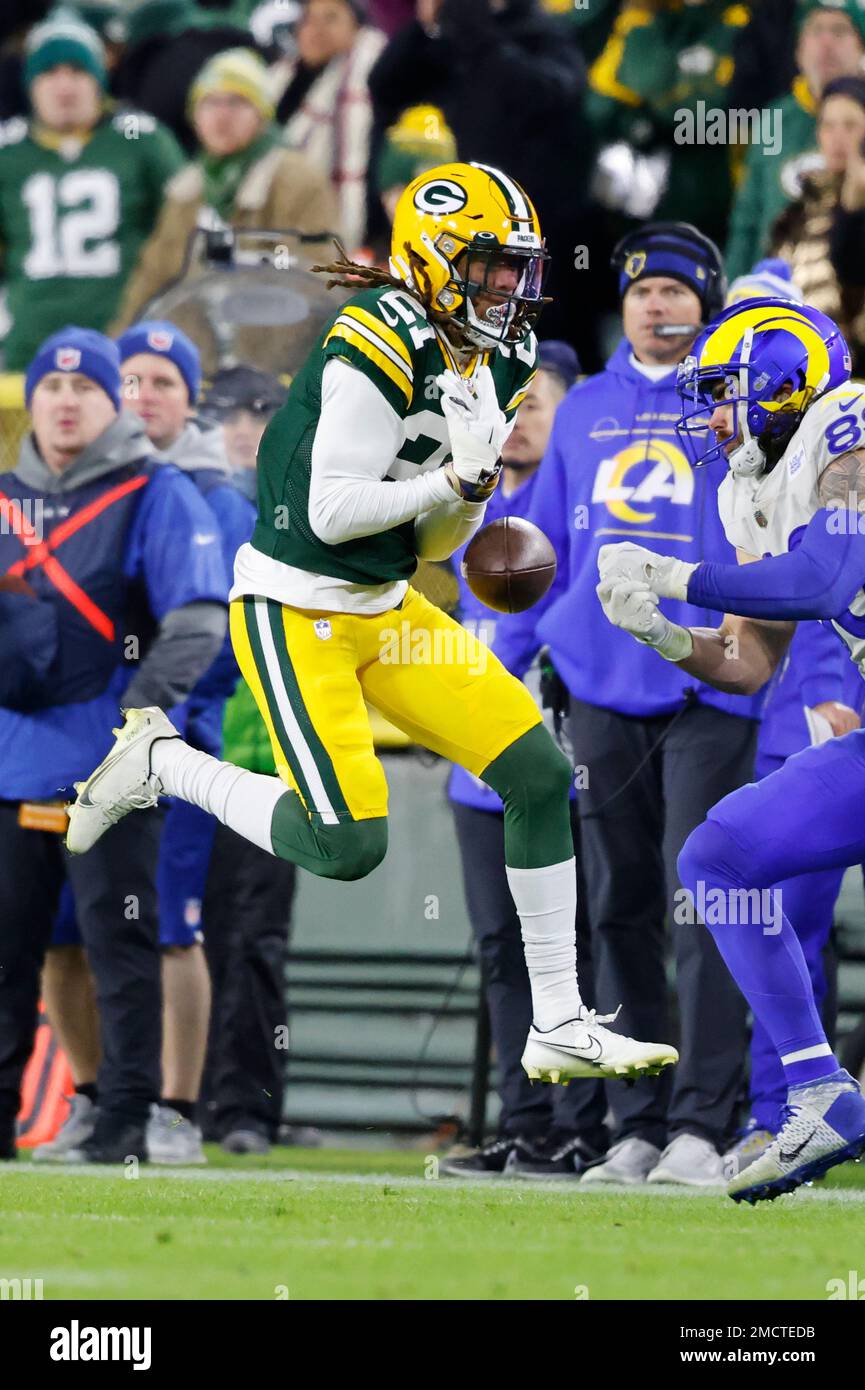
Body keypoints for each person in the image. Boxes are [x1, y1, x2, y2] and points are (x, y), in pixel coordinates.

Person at [66, 160, 679, 1090]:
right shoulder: (376, 333)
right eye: (490, 265)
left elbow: (437, 537)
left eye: (519, 268)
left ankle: (557, 1021)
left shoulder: (499, 353)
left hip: (386, 604)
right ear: (434, 260)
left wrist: (467, 495)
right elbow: (331, 511)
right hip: (296, 607)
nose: (510, 287)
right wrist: (455, 480)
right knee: (347, 846)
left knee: (539, 775)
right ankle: (160, 763)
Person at [493, 223, 764, 1187]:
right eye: (643, 292)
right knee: (616, 910)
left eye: (677, 293)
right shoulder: (581, 409)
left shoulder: (743, 395)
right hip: (597, 684)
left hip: (705, 679)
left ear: (708, 302)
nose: (658, 306)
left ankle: (705, 1123)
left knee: (706, 901)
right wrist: (518, 656)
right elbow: (543, 543)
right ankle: (635, 1123)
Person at [596, 295, 865, 1202]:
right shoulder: (750, 491)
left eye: (727, 393)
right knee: (717, 858)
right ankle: (819, 1088)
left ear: (790, 384)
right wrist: (664, 634)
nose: (712, 416)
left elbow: (828, 573)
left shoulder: (849, 425)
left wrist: (672, 572)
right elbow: (749, 659)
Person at [0, 326, 227, 1163]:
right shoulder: (3, 493)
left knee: (124, 944)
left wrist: (134, 724)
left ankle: (130, 1122)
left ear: (111, 403)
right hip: (12, 766)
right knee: (18, 951)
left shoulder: (155, 492)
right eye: (51, 388)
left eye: (84, 388)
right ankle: (31, 1120)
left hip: (112, 775)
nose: (64, 402)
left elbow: (200, 620)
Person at [442, 341, 612, 1180]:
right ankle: (527, 1123)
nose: (513, 420)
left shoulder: (589, 508)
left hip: (569, 759)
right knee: (503, 952)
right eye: (501, 403)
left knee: (572, 946)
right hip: (476, 767)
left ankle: (586, 1126)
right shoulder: (458, 510)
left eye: (533, 401)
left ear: (573, 412)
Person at [366, 0, 600, 365]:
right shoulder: (441, 39)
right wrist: (425, 26)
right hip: (452, 230)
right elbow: (384, 86)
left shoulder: (540, 30)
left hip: (527, 235)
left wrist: (476, 29)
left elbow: (547, 94)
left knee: (524, 351)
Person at [0, 7, 185, 369]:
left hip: (127, 343)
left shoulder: (140, 138)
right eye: (50, 72)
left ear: (99, 80)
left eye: (78, 71)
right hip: (30, 347)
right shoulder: (9, 151)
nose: (64, 85)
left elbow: (185, 234)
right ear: (31, 84)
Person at [111, 48, 339, 332]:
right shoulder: (186, 191)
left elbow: (320, 276)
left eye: (236, 102)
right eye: (210, 103)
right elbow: (152, 279)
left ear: (261, 114)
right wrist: (118, 348)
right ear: (194, 116)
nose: (222, 115)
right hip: (202, 357)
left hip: (279, 354)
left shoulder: (296, 179)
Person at [725, 0, 865, 281]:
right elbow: (747, 220)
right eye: (815, 31)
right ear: (798, 50)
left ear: (861, 47)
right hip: (774, 296)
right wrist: (734, 290)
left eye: (839, 31)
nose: (826, 42)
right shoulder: (774, 118)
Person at [271, 0, 387, 252]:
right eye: (308, 19)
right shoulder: (279, 79)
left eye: (330, 18)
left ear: (357, 26)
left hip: (351, 233)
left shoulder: (375, 78)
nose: (316, 29)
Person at [770, 76, 865, 374]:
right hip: (803, 371)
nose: (838, 137)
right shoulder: (795, 214)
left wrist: (853, 206)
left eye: (850, 125)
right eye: (828, 125)